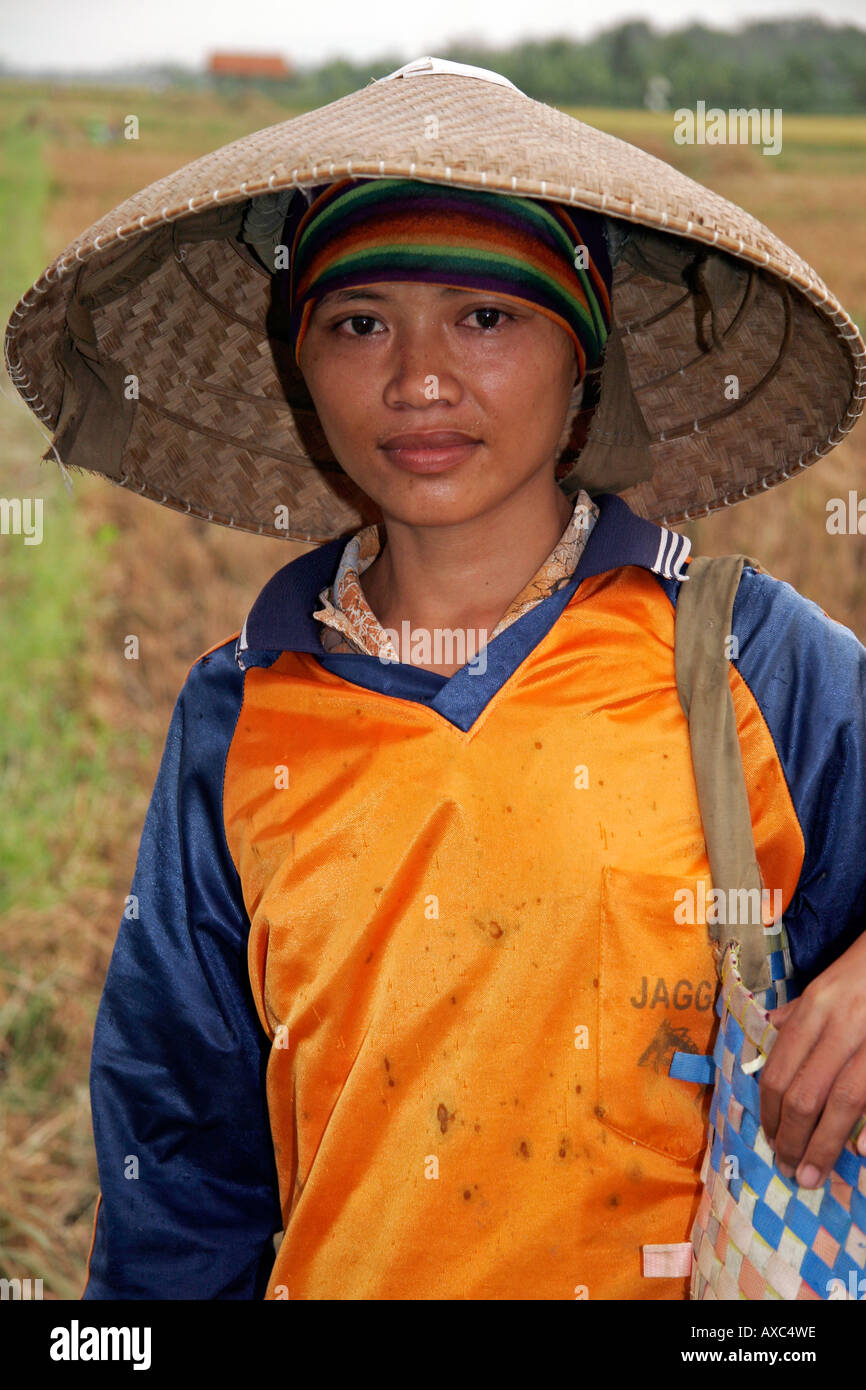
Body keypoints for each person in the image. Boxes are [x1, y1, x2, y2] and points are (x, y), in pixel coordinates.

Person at [6, 57, 865, 1301]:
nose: (418, 380)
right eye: (360, 324)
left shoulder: (741, 661)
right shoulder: (240, 712)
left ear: (581, 360)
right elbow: (182, 1158)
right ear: (298, 363)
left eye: (485, 317)